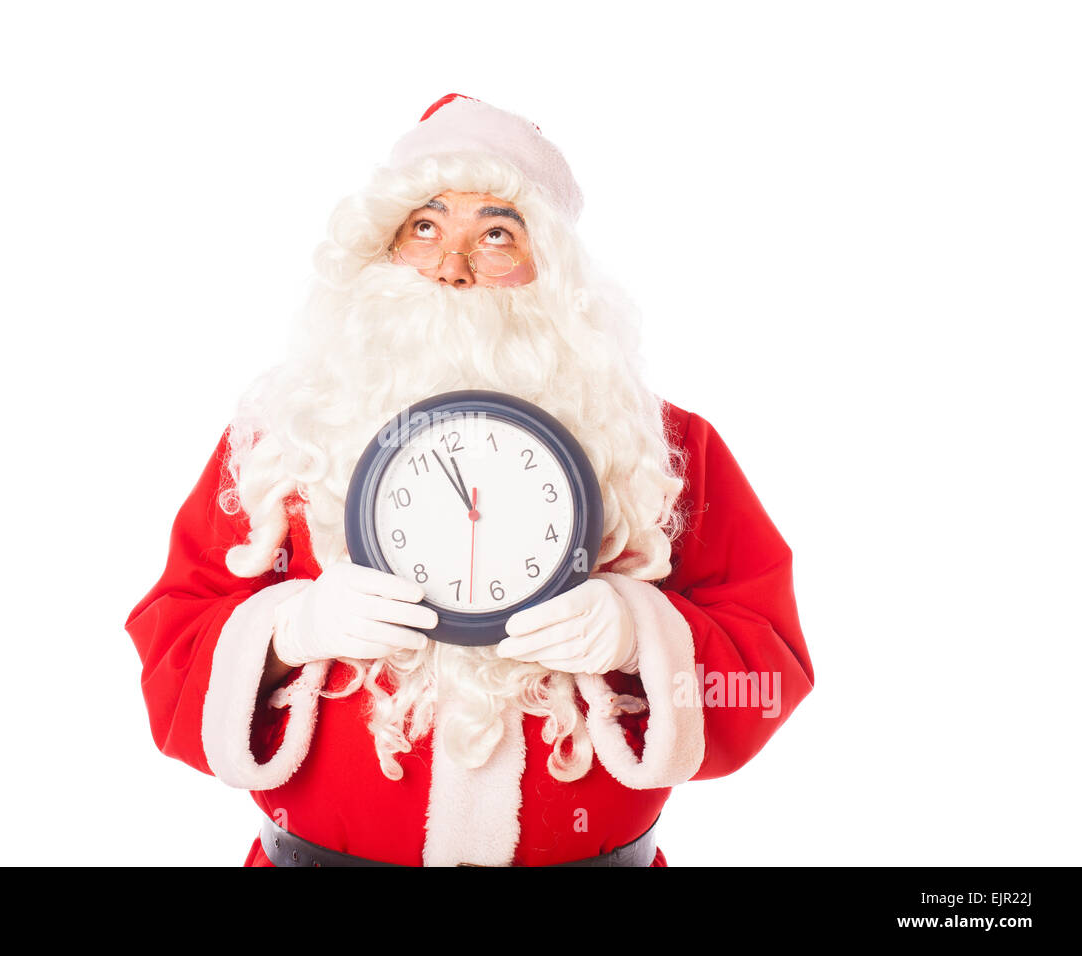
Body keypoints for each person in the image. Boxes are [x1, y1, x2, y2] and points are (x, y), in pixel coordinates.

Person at [125, 94, 813, 867]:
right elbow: (167, 664)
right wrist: (291, 632)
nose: (451, 269)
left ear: (548, 268)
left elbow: (766, 680)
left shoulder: (664, 448)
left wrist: (639, 636)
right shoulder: (285, 438)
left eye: (494, 233)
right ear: (381, 251)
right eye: (424, 227)